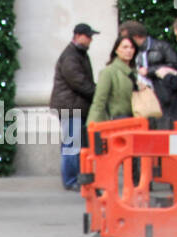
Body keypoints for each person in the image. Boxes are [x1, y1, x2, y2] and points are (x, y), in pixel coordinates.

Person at [50, 23, 97, 191]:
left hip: (73, 106)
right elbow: (79, 82)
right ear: (77, 35)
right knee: (72, 145)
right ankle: (71, 180)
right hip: (71, 107)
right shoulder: (71, 56)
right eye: (88, 36)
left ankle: (74, 178)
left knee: (73, 144)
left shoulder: (78, 54)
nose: (91, 40)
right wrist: (97, 92)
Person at [120, 19, 177, 125]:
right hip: (141, 95)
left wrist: (150, 71)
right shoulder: (133, 52)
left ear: (135, 36)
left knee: (163, 125)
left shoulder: (161, 47)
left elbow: (173, 66)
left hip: (162, 94)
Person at [88, 34, 139, 126]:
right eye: (125, 47)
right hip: (117, 122)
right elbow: (99, 101)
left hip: (136, 121)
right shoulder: (109, 72)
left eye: (132, 47)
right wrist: (92, 125)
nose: (129, 50)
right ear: (116, 50)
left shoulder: (136, 73)